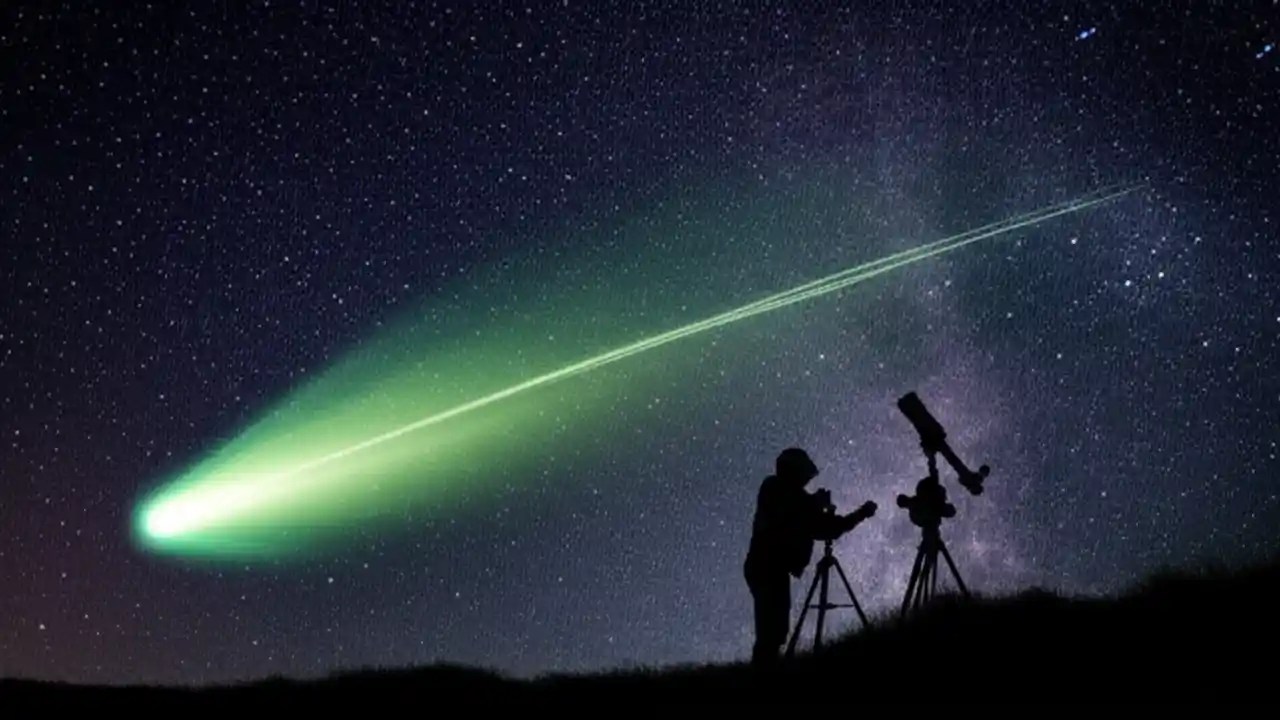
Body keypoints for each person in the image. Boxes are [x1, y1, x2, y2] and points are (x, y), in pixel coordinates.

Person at [743, 447, 877, 666]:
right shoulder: (773, 487)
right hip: (765, 566)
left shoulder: (801, 501)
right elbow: (785, 512)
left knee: (776, 630)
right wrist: (814, 503)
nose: (806, 480)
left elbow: (829, 529)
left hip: (773, 569)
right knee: (771, 630)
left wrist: (860, 514)